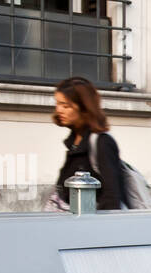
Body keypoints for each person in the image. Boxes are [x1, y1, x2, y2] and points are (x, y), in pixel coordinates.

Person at [49, 76, 125, 211]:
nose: (59, 110)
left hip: (92, 227)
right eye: (58, 104)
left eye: (65, 105)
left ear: (84, 108)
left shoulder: (102, 143)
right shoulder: (74, 142)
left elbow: (111, 198)